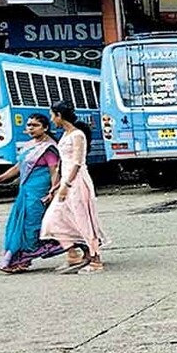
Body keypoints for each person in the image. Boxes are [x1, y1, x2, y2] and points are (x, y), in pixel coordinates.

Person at [40, 100, 107, 274]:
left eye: (52, 115)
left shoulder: (77, 135)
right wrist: (57, 185)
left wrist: (66, 185)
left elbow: (77, 163)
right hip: (67, 181)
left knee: (82, 218)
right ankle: (76, 253)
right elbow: (64, 162)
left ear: (59, 116)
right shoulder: (65, 134)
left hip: (77, 182)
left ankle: (95, 259)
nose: (52, 119)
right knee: (52, 220)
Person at [0, 113, 65, 273]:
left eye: (35, 125)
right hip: (25, 191)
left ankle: (24, 259)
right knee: (18, 225)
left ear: (45, 128)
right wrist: (1, 178)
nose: (30, 128)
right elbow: (19, 168)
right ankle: (19, 260)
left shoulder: (48, 148)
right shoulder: (29, 145)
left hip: (39, 192)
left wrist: (54, 191)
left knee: (31, 226)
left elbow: (54, 171)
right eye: (29, 125)